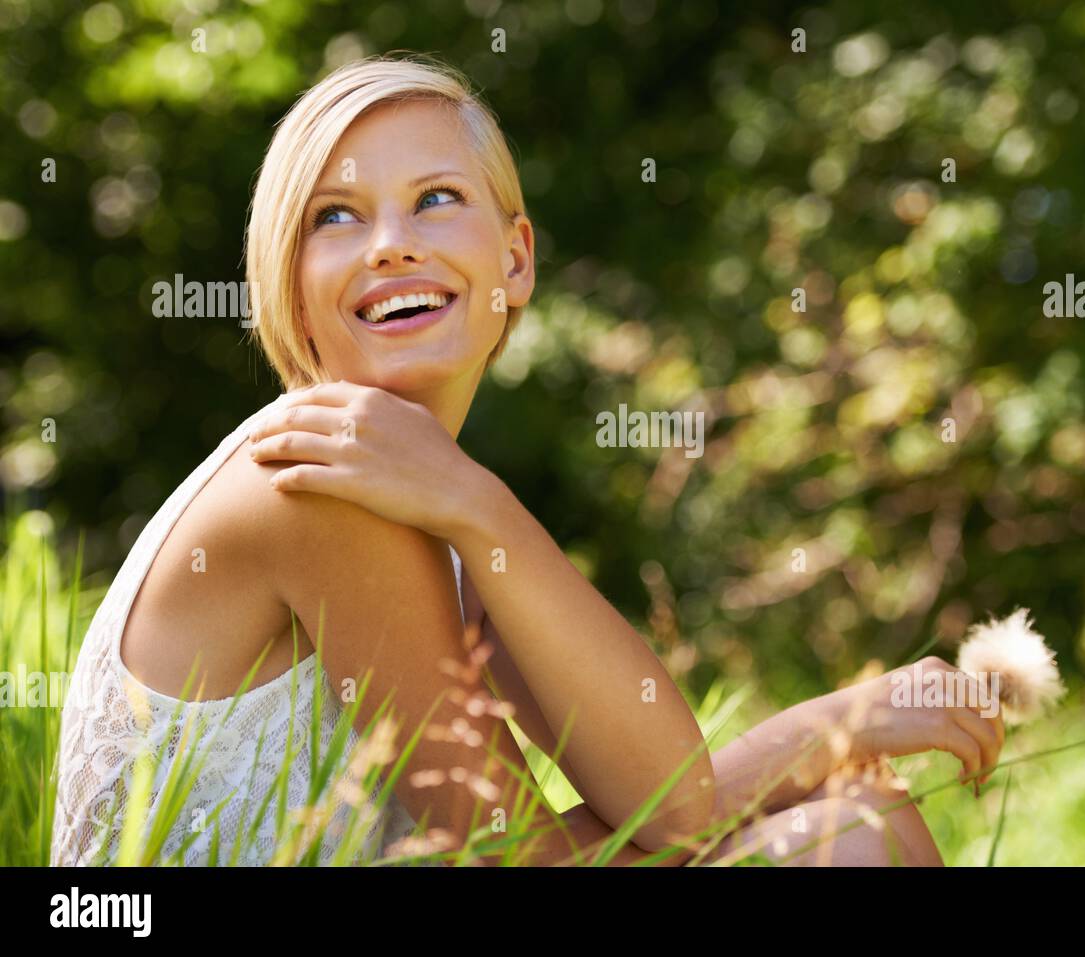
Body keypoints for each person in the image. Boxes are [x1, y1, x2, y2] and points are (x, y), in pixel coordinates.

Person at [52, 53, 1001, 867]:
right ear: (289, 290)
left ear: (514, 262)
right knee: (856, 836)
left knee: (861, 820)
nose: (391, 245)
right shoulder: (314, 486)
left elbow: (668, 806)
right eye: (336, 217)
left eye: (436, 199)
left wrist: (479, 509)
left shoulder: (423, 501)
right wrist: (835, 727)